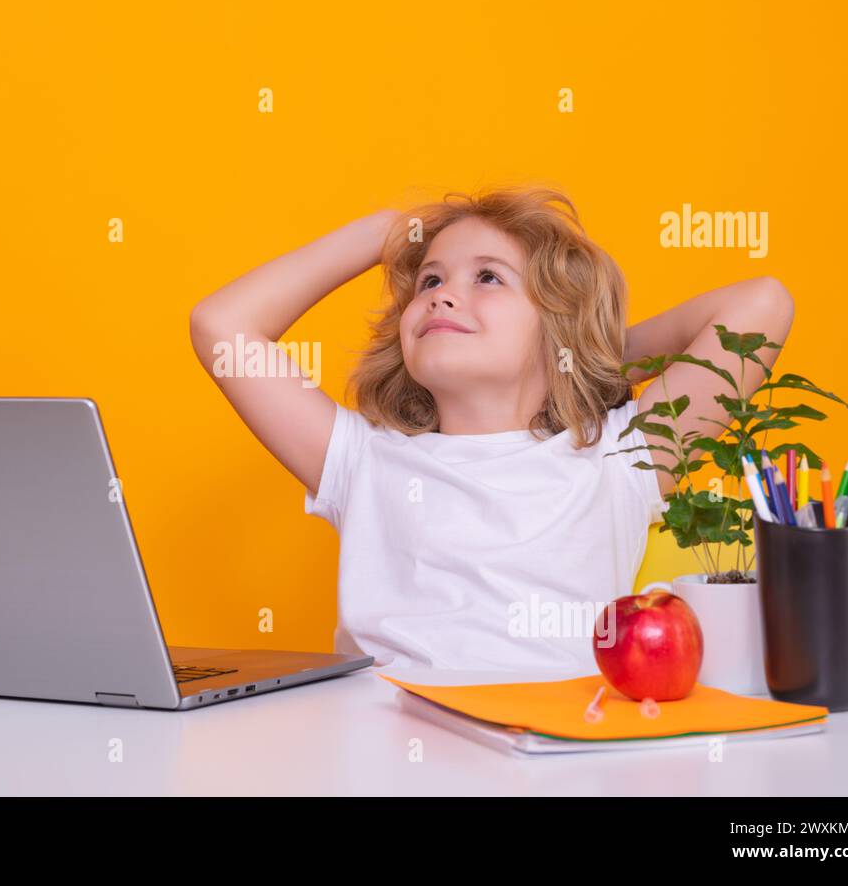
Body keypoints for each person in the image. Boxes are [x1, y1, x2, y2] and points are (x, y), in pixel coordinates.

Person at [189, 186, 794, 673]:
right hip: (385, 750)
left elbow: (762, 304)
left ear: (556, 327)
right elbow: (222, 324)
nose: (443, 296)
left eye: (488, 278)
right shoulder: (360, 460)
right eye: (430, 279)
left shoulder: (619, 457)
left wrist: (590, 355)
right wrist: (381, 233)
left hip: (550, 753)